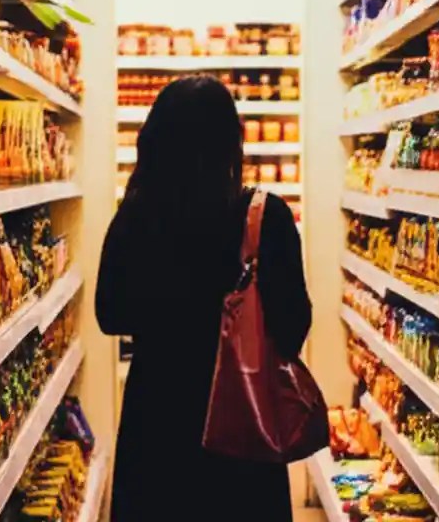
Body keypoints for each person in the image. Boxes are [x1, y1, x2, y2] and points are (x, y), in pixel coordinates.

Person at [97, 75, 312, 521]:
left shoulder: (137, 215)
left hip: (156, 420)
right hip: (242, 422)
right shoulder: (265, 217)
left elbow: (109, 312)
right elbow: (294, 326)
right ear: (232, 143)